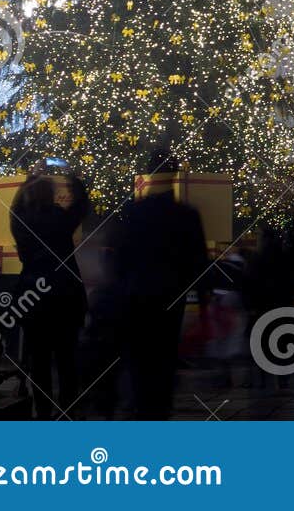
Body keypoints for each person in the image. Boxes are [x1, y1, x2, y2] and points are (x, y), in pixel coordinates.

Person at [113, 162, 208, 418]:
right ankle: (160, 410)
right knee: (164, 359)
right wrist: (203, 304)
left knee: (140, 360)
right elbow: (198, 261)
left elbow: (119, 258)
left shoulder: (134, 211)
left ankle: (143, 408)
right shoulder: (186, 214)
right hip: (170, 296)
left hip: (136, 297)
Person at [10, 170, 91, 419]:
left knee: (39, 361)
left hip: (33, 296)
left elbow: (14, 209)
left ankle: (43, 412)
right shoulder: (60, 219)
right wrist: (74, 178)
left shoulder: (21, 220)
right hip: (65, 295)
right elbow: (81, 206)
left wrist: (27, 184)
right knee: (67, 358)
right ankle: (68, 410)